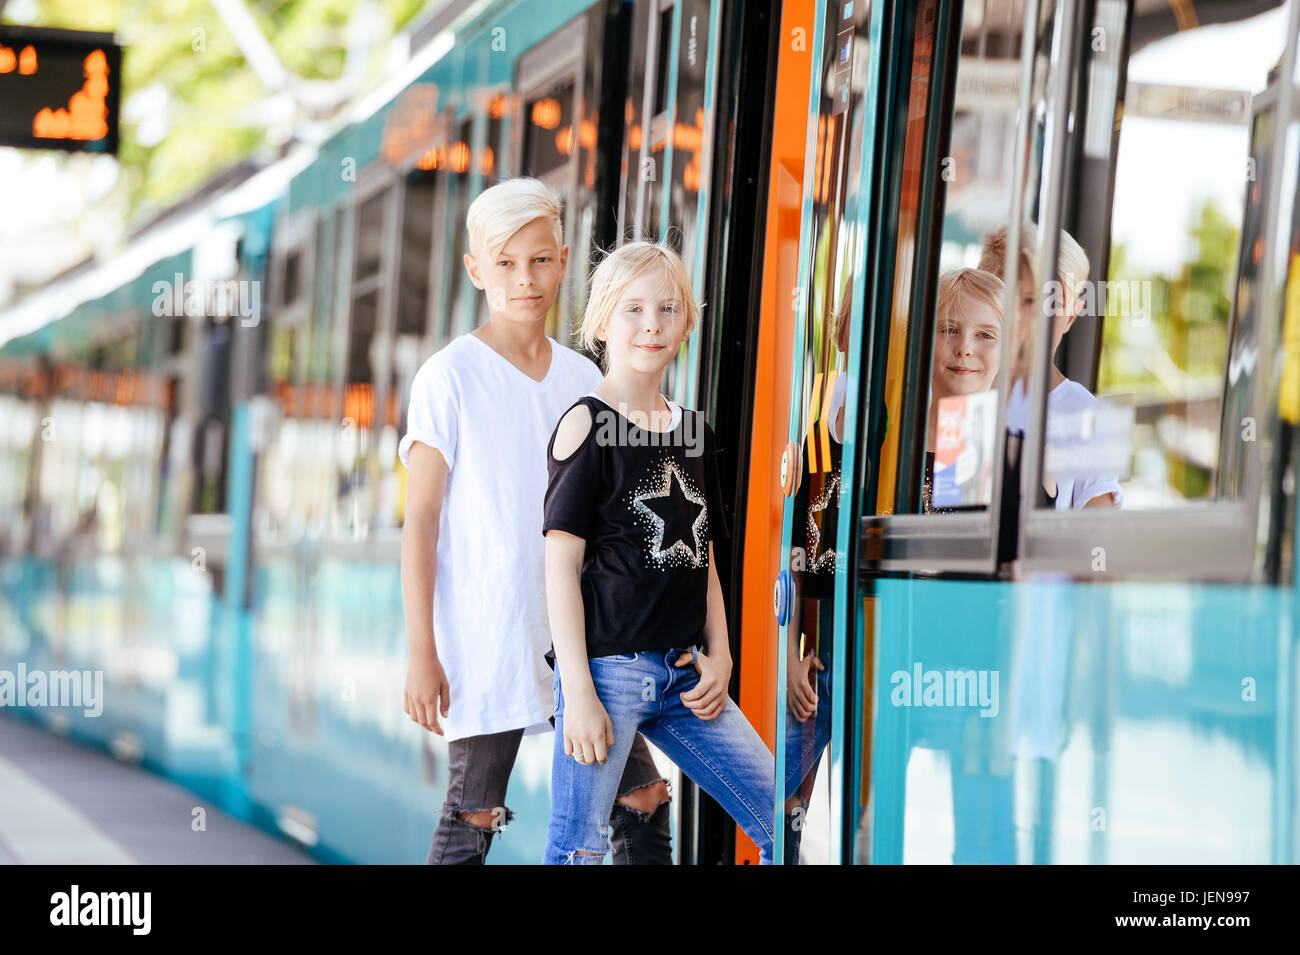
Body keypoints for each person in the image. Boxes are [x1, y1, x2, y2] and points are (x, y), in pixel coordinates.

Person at [399, 177, 672, 865]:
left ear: (564, 258)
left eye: (542, 260)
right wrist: (421, 652)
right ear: (476, 270)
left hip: (582, 640)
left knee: (642, 798)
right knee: (475, 814)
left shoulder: (587, 379)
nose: (526, 278)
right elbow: (421, 523)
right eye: (507, 263)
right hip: (488, 635)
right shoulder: (448, 377)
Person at [541, 241, 775, 864]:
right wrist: (580, 692)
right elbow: (560, 568)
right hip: (607, 671)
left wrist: (722, 656)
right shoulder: (586, 425)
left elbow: (706, 561)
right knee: (578, 849)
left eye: (668, 309)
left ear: (686, 324)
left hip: (684, 672)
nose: (652, 324)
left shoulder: (695, 432)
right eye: (634, 309)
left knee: (780, 816)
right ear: (600, 322)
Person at [979, 224, 1123, 509]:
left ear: (1071, 317)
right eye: (1010, 298)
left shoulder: (1086, 417)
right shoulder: (956, 394)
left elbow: (1095, 535)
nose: (1028, 318)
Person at [924, 268, 1004, 512]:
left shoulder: (1021, 458)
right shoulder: (887, 443)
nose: (964, 348)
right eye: (949, 330)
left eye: (985, 335)